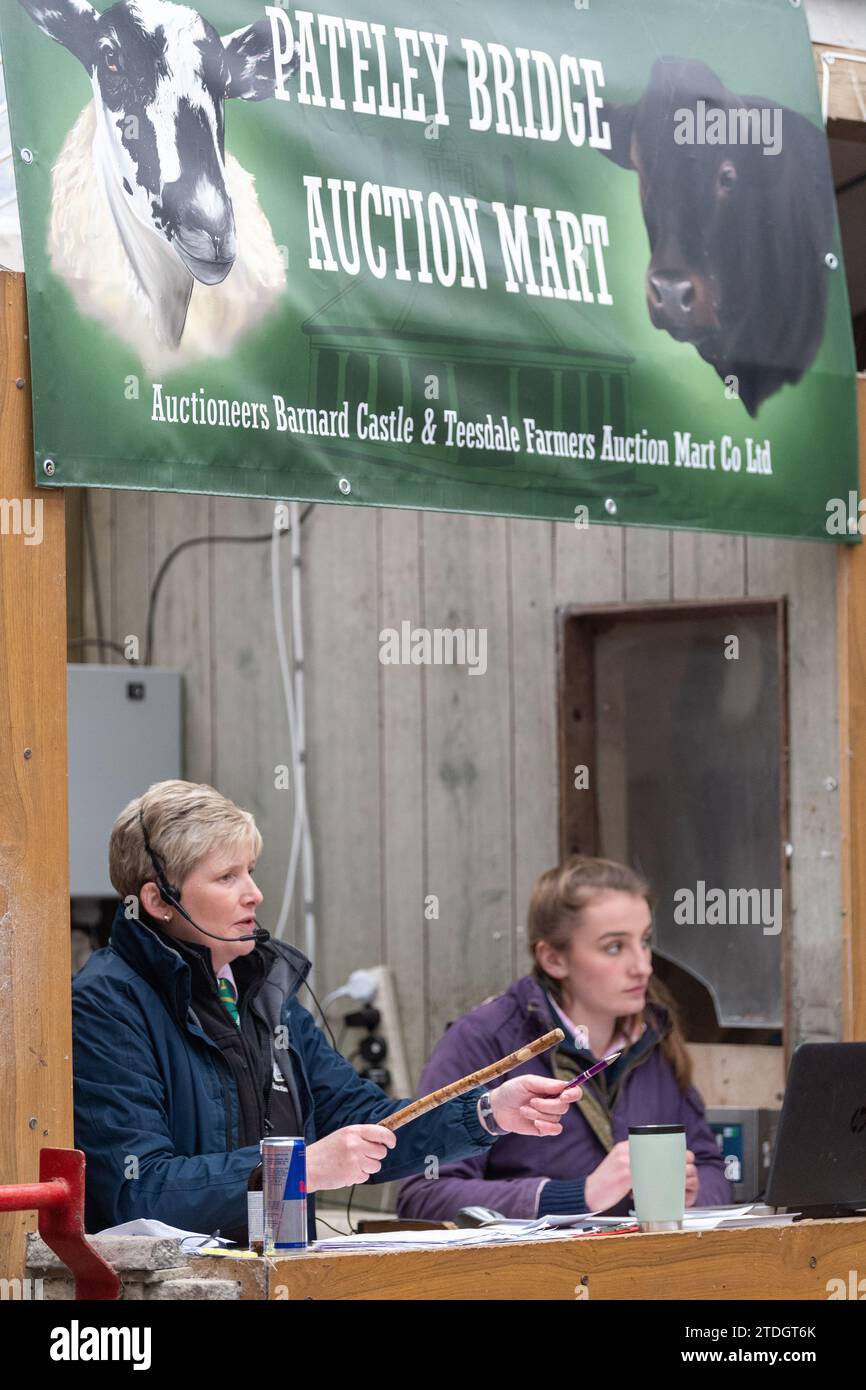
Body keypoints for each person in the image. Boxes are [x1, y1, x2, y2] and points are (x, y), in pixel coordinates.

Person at [72, 780, 583, 1238]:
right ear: (160, 901)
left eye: (250, 871)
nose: (255, 893)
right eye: (227, 877)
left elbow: (362, 1120)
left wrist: (486, 1112)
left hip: (280, 1274)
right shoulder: (107, 1003)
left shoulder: (264, 996)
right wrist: (300, 1168)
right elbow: (135, 1192)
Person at [397, 856, 732, 1221]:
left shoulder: (656, 1038)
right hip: (530, 1275)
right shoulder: (483, 1040)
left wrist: (694, 1192)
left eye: (645, 941)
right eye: (615, 947)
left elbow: (714, 1168)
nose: (643, 966)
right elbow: (424, 1193)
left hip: (641, 1268)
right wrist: (574, 1196)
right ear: (554, 959)